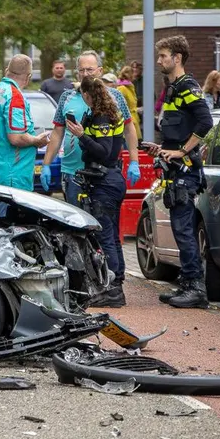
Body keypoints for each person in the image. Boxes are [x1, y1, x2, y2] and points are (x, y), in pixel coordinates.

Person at [141, 35, 213, 309]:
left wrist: (183, 151)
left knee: (183, 230)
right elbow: (179, 130)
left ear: (177, 58)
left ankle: (195, 289)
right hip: (175, 170)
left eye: (163, 56)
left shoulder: (187, 87)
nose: (159, 61)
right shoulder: (175, 88)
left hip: (185, 171)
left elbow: (205, 122)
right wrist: (161, 148)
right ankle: (186, 284)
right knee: (179, 229)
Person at [39, 51, 139, 204]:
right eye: (81, 70)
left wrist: (134, 161)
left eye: (90, 69)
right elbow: (58, 132)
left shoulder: (115, 96)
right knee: (77, 223)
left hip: (103, 172)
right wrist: (46, 164)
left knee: (103, 222)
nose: (85, 74)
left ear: (100, 70)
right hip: (73, 172)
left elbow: (129, 128)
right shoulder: (67, 97)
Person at [66, 76, 132, 307]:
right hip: (110, 178)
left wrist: (81, 135)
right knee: (112, 234)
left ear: (86, 94)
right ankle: (117, 282)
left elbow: (104, 152)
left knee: (105, 236)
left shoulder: (101, 116)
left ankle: (113, 289)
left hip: (106, 180)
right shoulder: (106, 111)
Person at [0, 54, 51, 194]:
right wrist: (37, 140)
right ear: (28, 77)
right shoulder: (14, 96)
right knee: (10, 216)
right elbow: (16, 137)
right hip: (11, 176)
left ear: (7, 70)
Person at [115, 66, 141, 134]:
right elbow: (117, 106)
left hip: (134, 121)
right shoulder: (122, 88)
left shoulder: (130, 87)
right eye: (133, 73)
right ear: (130, 74)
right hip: (127, 124)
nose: (134, 75)